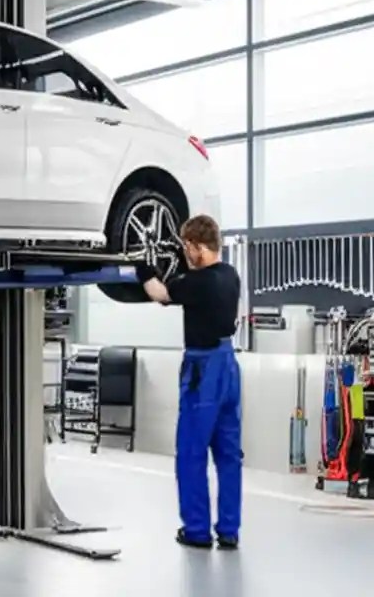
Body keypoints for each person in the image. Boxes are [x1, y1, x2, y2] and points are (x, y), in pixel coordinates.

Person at [134, 214, 242, 550]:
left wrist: (143, 268)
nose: (185, 253)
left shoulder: (197, 283)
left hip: (202, 369)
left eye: (186, 247)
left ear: (196, 247)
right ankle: (228, 530)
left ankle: (196, 531)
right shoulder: (230, 276)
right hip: (229, 366)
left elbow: (160, 293)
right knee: (228, 455)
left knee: (192, 453)